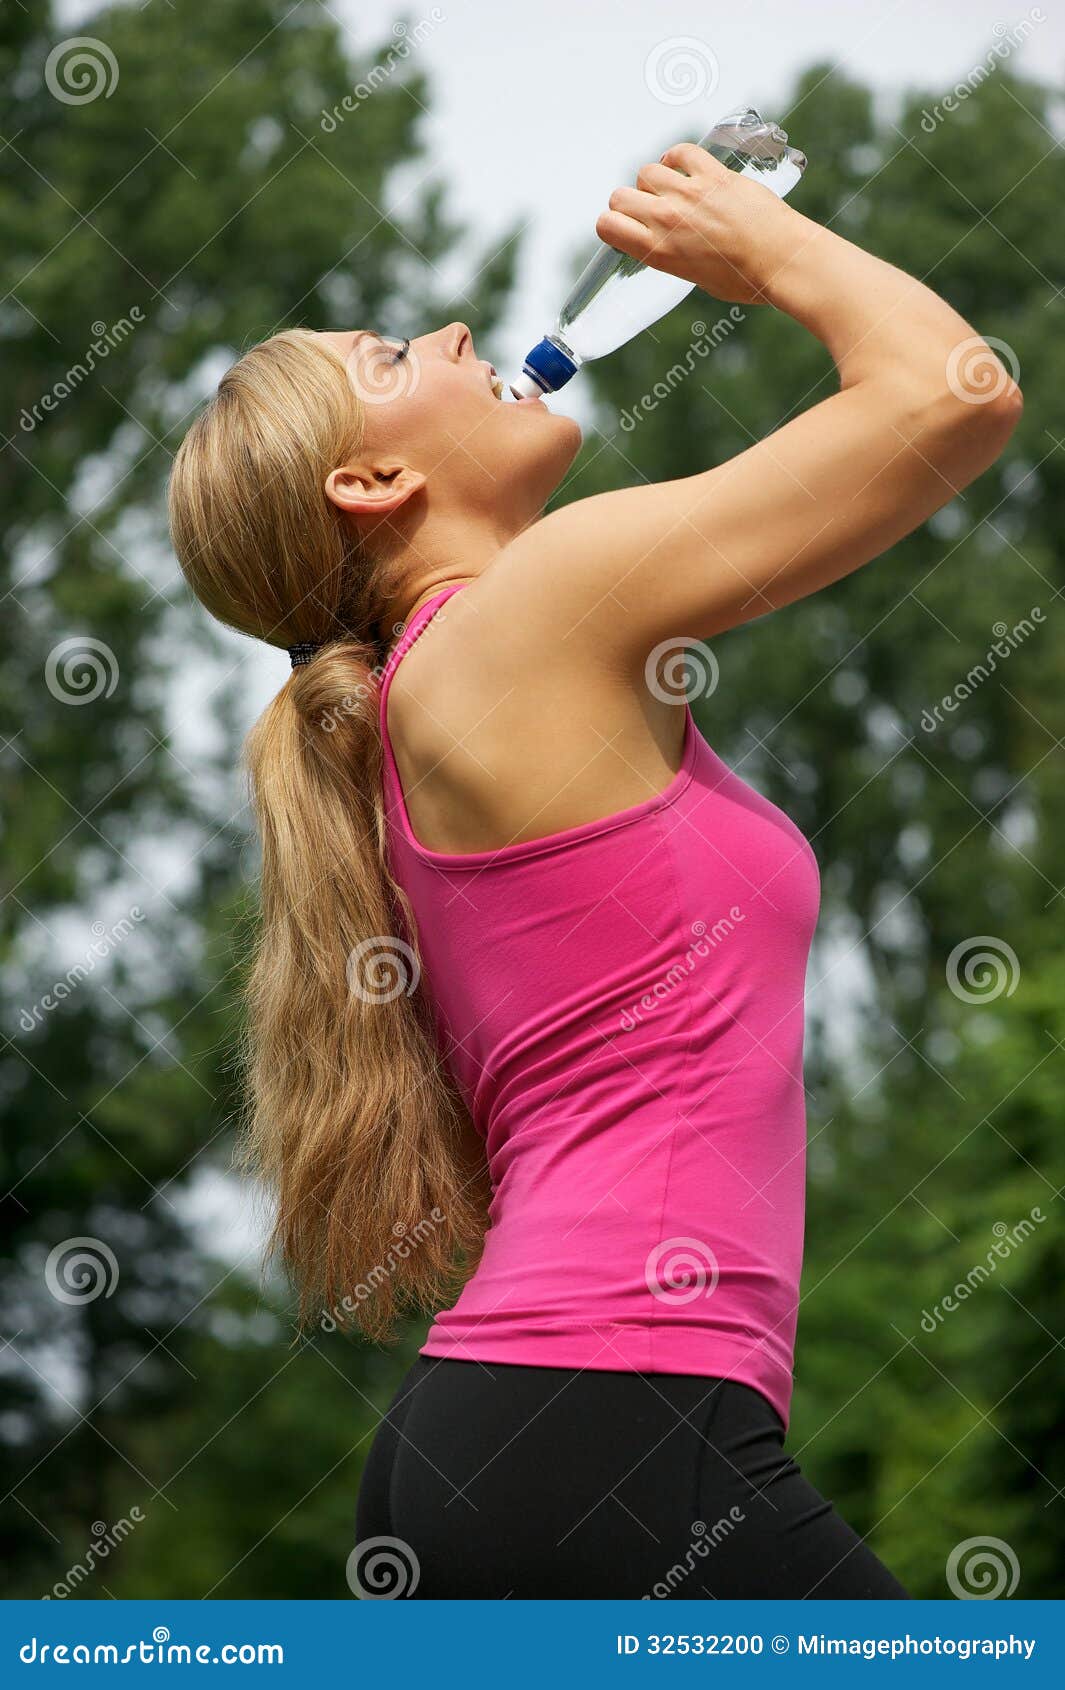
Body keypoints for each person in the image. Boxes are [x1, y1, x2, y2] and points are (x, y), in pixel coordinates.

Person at [168, 142, 1021, 1599]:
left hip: (541, 1430)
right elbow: (956, 393)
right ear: (371, 480)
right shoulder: (526, 614)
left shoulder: (435, 698)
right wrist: (766, 245)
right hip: (612, 1415)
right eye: (388, 352)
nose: (447, 331)